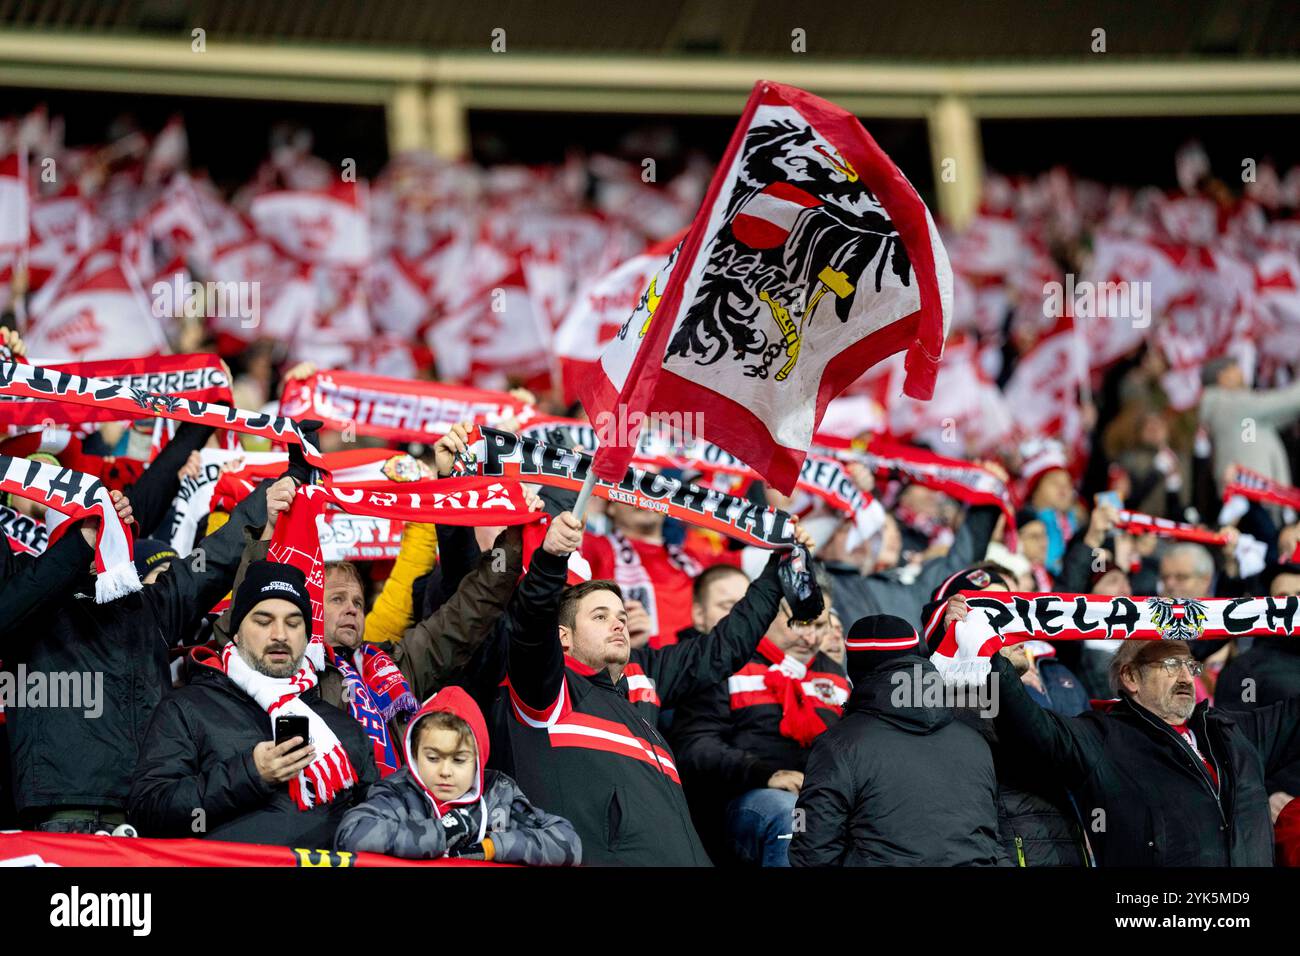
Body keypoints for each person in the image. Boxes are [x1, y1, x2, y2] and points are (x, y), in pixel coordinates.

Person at [493, 509, 816, 865]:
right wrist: (551, 559)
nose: (617, 625)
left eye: (621, 617)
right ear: (563, 637)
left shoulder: (644, 674)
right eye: (600, 617)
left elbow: (723, 648)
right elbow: (531, 625)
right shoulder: (546, 687)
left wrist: (777, 566)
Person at [2, 466, 278, 835]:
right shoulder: (23, 590)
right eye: (100, 519)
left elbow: (212, 560)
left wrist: (266, 502)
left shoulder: (149, 604)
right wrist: (82, 538)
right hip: (66, 817)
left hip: (154, 812)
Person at [988, 637, 1300, 865]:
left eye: (1189, 665)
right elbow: (1030, 725)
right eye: (1169, 664)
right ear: (1130, 677)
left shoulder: (1235, 732)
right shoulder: (1101, 738)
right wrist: (995, 663)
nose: (1185, 677)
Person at [129, 561, 378, 846]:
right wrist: (250, 773)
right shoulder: (188, 708)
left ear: (307, 636)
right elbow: (148, 811)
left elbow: (374, 813)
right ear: (236, 633)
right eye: (263, 621)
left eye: (294, 623)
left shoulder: (343, 725)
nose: (280, 635)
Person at [790, 615, 1006, 866]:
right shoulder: (974, 740)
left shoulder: (837, 745)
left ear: (855, 670)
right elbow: (992, 843)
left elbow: (810, 848)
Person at [671, 596, 846, 867]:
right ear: (767, 616)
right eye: (800, 623)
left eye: (820, 626)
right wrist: (765, 774)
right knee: (794, 817)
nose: (811, 637)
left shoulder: (835, 675)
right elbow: (694, 746)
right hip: (741, 800)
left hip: (822, 799)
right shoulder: (725, 662)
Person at [334, 686, 580, 864]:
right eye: (433, 758)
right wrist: (442, 832)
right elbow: (350, 834)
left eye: (459, 760)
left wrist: (493, 847)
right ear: (414, 753)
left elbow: (567, 842)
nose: (445, 771)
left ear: (478, 759)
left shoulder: (498, 794)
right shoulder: (400, 791)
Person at [580, 499, 701, 648]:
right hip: (633, 663)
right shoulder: (594, 547)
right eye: (631, 490)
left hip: (690, 661)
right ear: (610, 507)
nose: (643, 498)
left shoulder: (695, 559)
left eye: (651, 490)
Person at [1199, 355, 1300, 495]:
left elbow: (1283, 413)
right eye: (1235, 369)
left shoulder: (1234, 409)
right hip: (1251, 494)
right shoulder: (1227, 404)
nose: (1241, 373)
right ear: (1222, 376)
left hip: (1258, 492)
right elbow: (1288, 401)